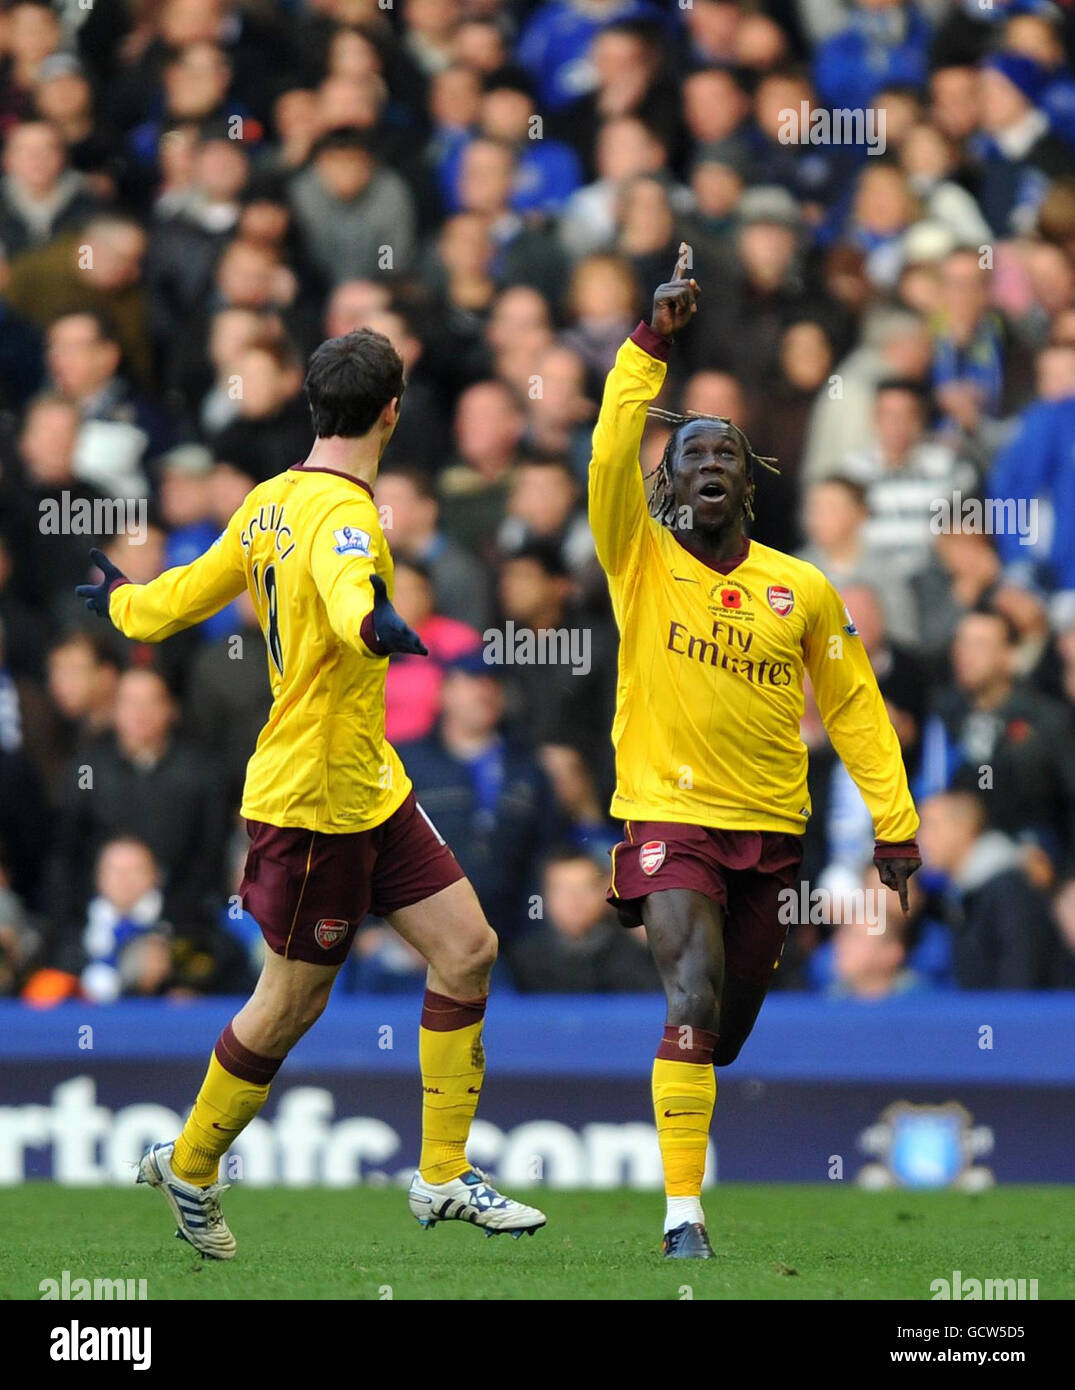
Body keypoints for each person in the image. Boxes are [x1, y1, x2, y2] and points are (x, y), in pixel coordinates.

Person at [75, 327, 544, 1258]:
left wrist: (123, 603)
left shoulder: (267, 504)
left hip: (369, 784)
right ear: (392, 413)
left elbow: (183, 598)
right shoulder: (345, 517)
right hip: (308, 802)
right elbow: (345, 589)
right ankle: (194, 1163)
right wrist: (372, 620)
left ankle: (442, 1175)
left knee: (468, 950)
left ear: (313, 406)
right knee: (288, 1005)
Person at [588, 246, 921, 1258]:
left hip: (771, 829)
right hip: (669, 812)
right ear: (667, 485)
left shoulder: (802, 587)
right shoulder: (637, 562)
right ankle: (682, 1214)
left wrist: (894, 828)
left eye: (726, 454)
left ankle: (688, 1113)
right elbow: (609, 447)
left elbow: (856, 706)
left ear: (746, 481)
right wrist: (650, 342)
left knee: (721, 1032)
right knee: (688, 995)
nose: (711, 465)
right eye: (691, 456)